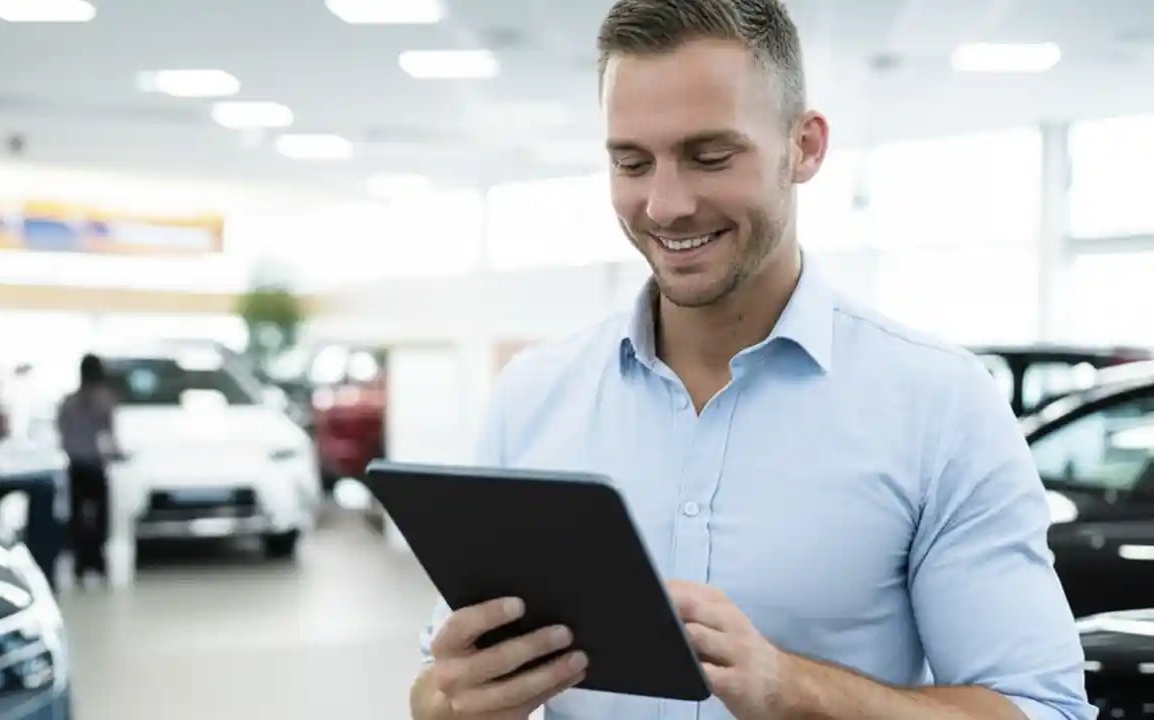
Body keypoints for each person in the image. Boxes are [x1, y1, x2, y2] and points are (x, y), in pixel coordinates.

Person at [409, 1, 1094, 719]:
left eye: (710, 157)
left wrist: (791, 688)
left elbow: (1043, 711)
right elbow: (436, 681)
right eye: (631, 162)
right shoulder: (533, 399)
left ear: (805, 147)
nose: (665, 204)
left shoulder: (940, 406)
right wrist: (449, 701)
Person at [57, 353, 118, 585]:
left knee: (77, 515)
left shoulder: (68, 402)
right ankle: (97, 561)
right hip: (95, 464)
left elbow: (62, 432)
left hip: (75, 465)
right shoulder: (104, 400)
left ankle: (80, 563)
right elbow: (110, 436)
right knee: (100, 516)